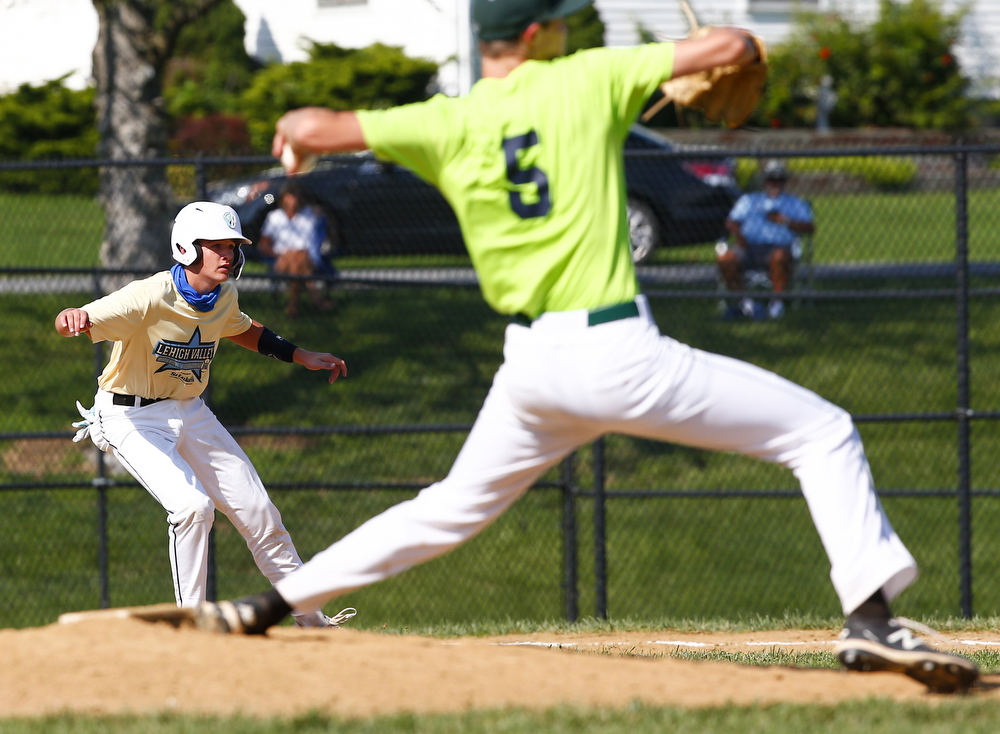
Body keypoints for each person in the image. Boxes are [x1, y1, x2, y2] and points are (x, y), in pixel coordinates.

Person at [194, 0, 977, 692]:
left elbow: (310, 125)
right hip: (617, 350)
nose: (567, 30)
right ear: (534, 35)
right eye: (558, 21)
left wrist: (297, 147)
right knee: (822, 430)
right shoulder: (586, 79)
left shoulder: (443, 120)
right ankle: (872, 622)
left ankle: (268, 604)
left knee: (448, 510)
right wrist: (701, 61)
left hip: (531, 368)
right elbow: (734, 45)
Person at [54, 201, 353, 629]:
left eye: (232, 246)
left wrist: (300, 355)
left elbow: (243, 328)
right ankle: (191, 626)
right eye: (215, 246)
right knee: (192, 507)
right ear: (186, 248)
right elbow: (86, 317)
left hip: (190, 411)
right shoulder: (149, 295)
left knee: (259, 513)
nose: (227, 254)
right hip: (130, 417)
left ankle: (312, 621)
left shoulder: (224, 293)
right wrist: (73, 318)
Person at [717, 159, 815, 321]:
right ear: (764, 181)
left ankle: (776, 303)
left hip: (778, 247)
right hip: (749, 246)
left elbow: (810, 228)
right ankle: (745, 303)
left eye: (779, 179)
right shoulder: (750, 200)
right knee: (725, 258)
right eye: (771, 179)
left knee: (779, 257)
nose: (775, 183)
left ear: (784, 181)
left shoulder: (794, 202)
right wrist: (740, 237)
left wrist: (785, 221)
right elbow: (731, 222)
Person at [259, 182, 334, 317]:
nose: (294, 199)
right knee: (294, 257)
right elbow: (263, 245)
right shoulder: (274, 217)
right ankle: (315, 298)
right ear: (283, 198)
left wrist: (322, 212)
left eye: (297, 196)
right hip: (282, 259)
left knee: (298, 257)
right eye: (290, 195)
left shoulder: (311, 214)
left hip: (308, 258)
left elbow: (330, 229)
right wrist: (282, 253)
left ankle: (293, 306)